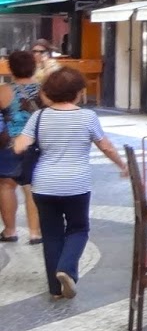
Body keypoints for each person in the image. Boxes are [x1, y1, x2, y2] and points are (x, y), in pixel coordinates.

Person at [13, 65, 127, 299]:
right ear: (78, 92)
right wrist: (122, 165)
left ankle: (55, 289)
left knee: (51, 234)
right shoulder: (87, 117)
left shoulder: (39, 116)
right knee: (78, 229)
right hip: (76, 185)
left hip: (43, 185)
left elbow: (20, 146)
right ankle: (66, 268)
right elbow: (104, 146)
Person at [0, 49, 40, 243]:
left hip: (9, 145)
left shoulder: (3, 90)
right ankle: (35, 233)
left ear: (10, 67)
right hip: (36, 146)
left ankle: (10, 230)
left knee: (7, 186)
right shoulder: (45, 90)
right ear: (34, 66)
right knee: (32, 188)